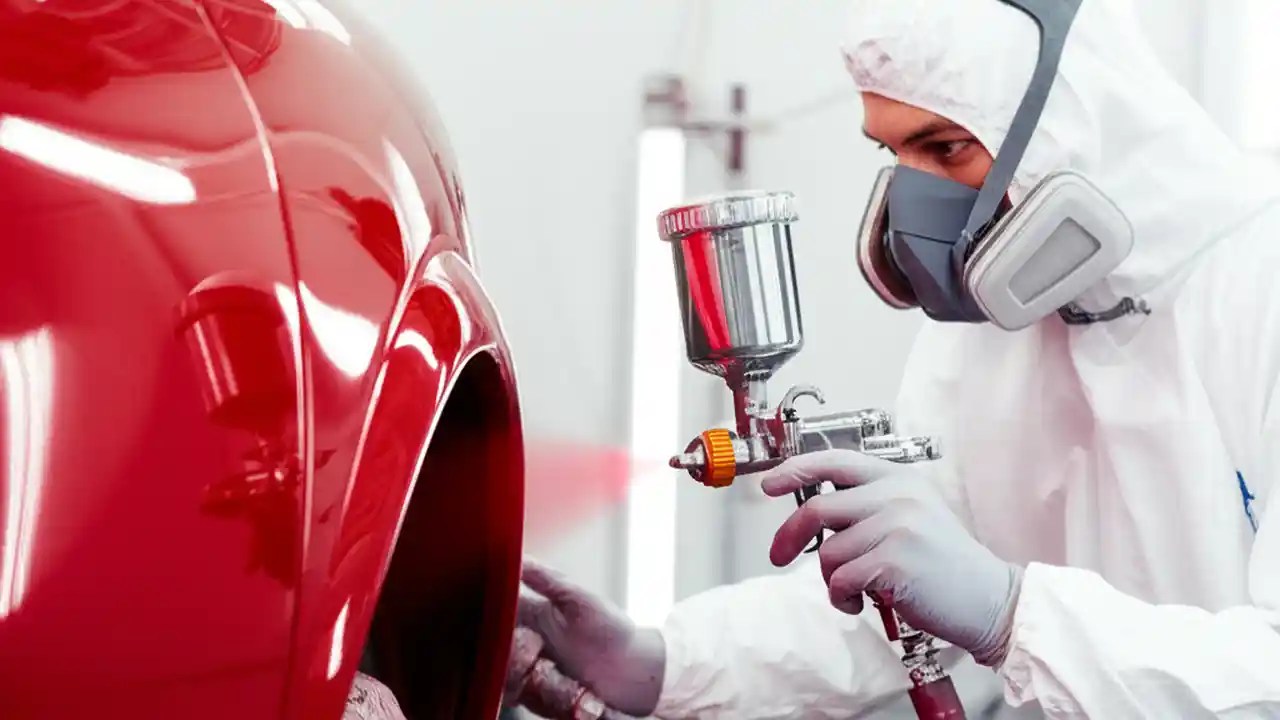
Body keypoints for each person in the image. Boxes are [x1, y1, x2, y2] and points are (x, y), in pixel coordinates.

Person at [514, 0, 1280, 717]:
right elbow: (894, 598)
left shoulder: (1257, 293)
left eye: (944, 148)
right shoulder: (988, 330)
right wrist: (663, 662)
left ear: (1072, 136)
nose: (918, 208)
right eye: (895, 153)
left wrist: (1010, 614)